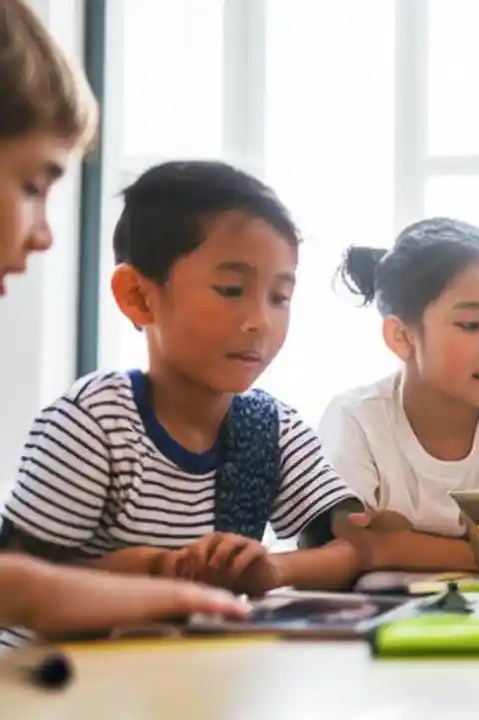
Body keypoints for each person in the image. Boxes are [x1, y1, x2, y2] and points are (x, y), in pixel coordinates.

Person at [2, 161, 374, 619]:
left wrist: (272, 571)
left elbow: (353, 549)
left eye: (279, 297)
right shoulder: (95, 422)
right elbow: (20, 578)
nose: (260, 320)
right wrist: (151, 568)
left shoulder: (271, 429)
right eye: (231, 288)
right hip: (65, 676)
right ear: (138, 296)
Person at [0, 0, 246, 643]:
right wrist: (41, 590)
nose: (46, 235)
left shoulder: (260, 425)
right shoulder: (92, 416)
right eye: (33, 185)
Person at [318, 218, 479, 578]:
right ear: (401, 337)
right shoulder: (356, 418)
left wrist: (396, 541)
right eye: (471, 325)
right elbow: (352, 542)